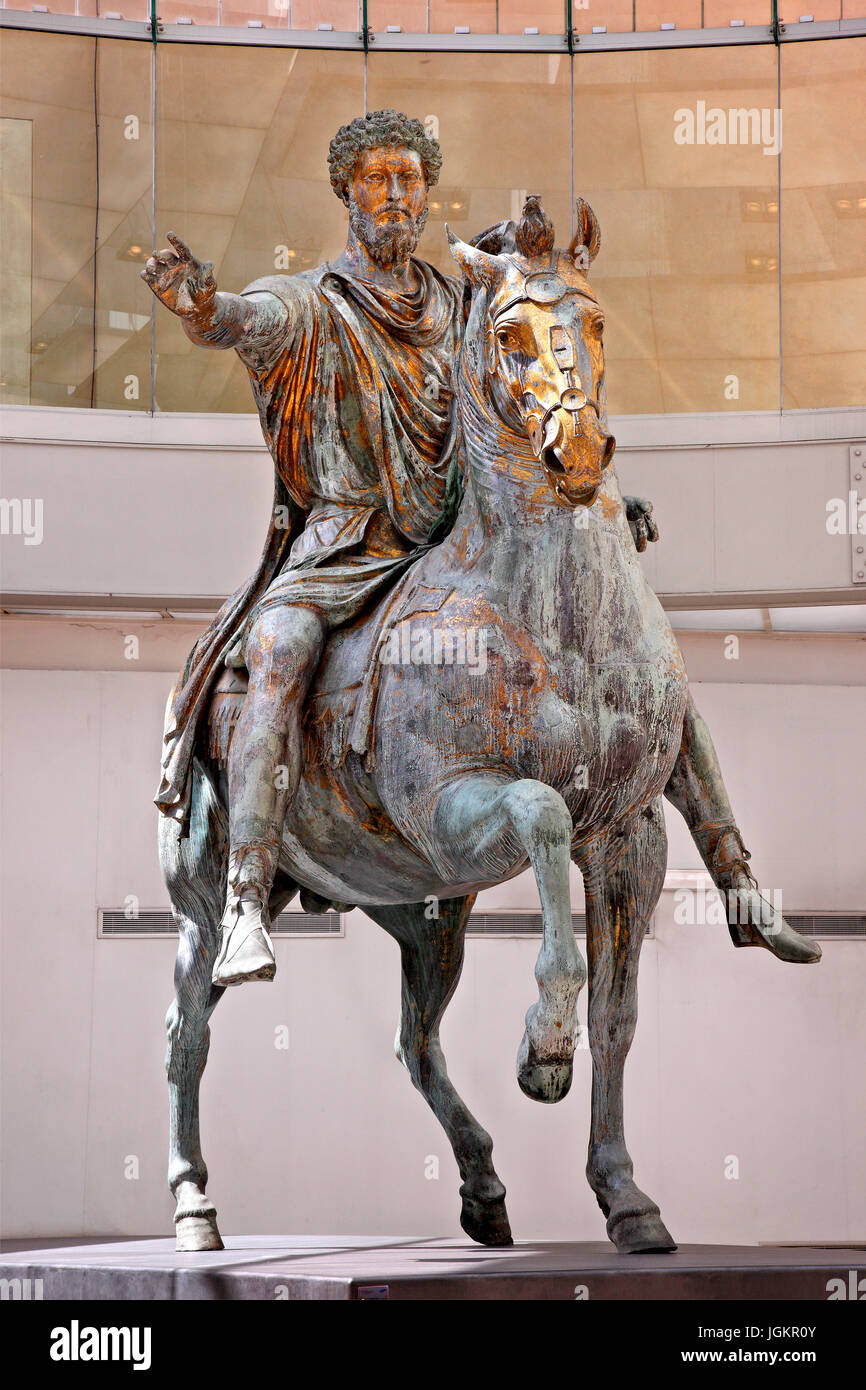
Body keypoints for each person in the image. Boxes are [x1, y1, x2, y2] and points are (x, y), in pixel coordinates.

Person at [142, 109, 819, 987]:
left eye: (410, 180)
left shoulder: (465, 302)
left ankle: (734, 872)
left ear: (427, 194)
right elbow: (241, 321)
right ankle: (243, 897)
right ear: (346, 189)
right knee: (279, 644)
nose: (396, 194)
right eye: (378, 178)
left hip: (464, 533)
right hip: (354, 541)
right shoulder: (311, 302)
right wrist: (204, 305)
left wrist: (600, 490)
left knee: (633, 651)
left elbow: (521, 405)